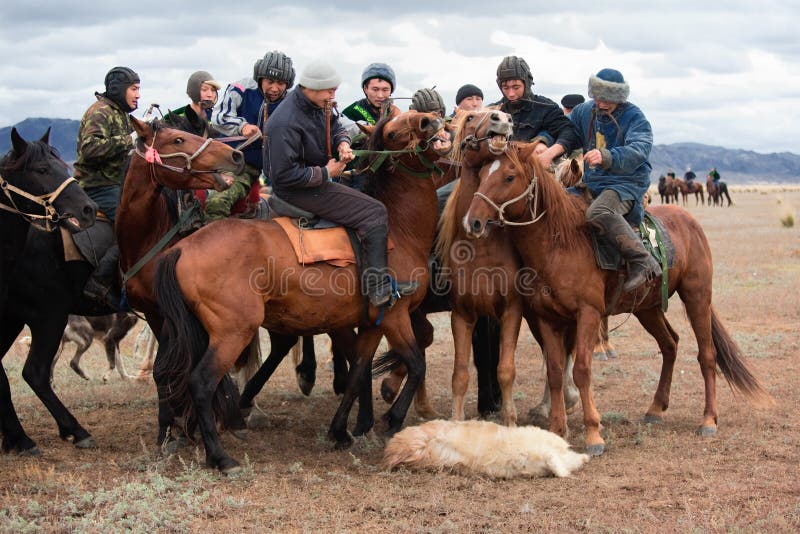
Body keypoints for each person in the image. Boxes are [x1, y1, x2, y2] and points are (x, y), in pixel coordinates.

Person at [264, 60, 417, 307]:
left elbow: (336, 126)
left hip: (314, 182)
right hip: (297, 192)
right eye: (330, 90)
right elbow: (282, 176)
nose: (334, 95)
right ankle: (378, 289)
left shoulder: (318, 104)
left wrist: (343, 143)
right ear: (312, 87)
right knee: (374, 210)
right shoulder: (284, 122)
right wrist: (325, 173)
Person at [569, 68, 661, 293]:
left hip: (626, 183)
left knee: (598, 212)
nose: (601, 104)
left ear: (619, 98)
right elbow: (566, 130)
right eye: (597, 98)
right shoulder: (584, 111)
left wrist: (607, 156)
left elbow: (640, 149)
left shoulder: (634, 117)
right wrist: (545, 142)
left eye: (607, 99)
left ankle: (643, 261)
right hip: (593, 183)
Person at [76, 66, 140, 308]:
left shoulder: (121, 114)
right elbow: (90, 149)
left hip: (117, 184)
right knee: (133, 228)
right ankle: (99, 283)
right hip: (99, 186)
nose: (138, 95)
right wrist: (130, 140)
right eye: (134, 89)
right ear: (119, 89)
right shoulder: (100, 112)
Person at [209, 50, 294, 220]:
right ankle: (216, 244)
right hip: (236, 165)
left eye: (281, 83)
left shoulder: (294, 100)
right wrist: (243, 127)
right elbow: (218, 117)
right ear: (260, 78)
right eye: (270, 81)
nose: (275, 88)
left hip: (282, 169)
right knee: (216, 203)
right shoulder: (242, 88)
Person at [493, 55, 581, 167]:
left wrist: (549, 152)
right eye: (505, 88)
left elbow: (569, 133)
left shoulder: (547, 108)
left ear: (527, 83)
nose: (511, 94)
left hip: (536, 170)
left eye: (516, 87)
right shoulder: (494, 112)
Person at [340, 62, 398, 137]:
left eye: (385, 90)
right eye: (375, 89)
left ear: (391, 91)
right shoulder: (350, 113)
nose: (380, 96)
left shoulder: (395, 113)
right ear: (365, 89)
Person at [163, 71, 222, 137]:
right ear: (194, 92)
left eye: (213, 90)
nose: (210, 95)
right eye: (204, 90)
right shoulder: (172, 119)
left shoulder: (219, 119)